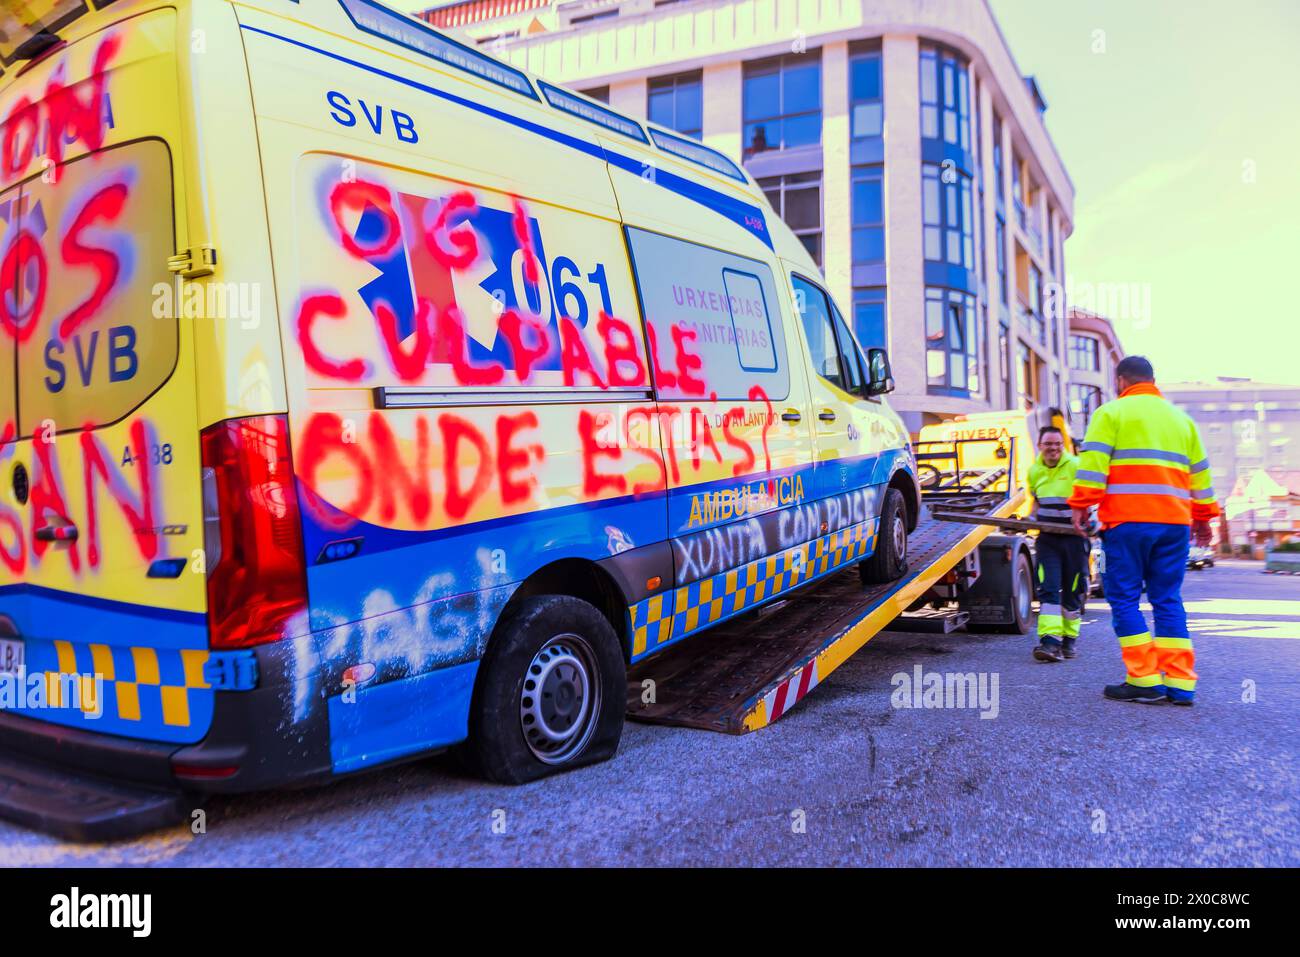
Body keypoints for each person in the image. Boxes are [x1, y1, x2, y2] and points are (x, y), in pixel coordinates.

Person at [1068, 356, 1218, 705]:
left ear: (1121, 380)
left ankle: (1144, 679)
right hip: (1175, 525)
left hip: (1127, 523)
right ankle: (1181, 683)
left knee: (1124, 599)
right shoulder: (1183, 421)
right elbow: (1201, 476)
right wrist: (1203, 517)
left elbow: (1093, 466)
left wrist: (1080, 505)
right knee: (1167, 599)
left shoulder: (1110, 413)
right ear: (1153, 380)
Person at [1027, 425, 1089, 662]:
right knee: (1049, 587)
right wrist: (1029, 519)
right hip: (1048, 540)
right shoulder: (1034, 471)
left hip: (1074, 540)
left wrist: (1089, 520)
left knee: (1072, 591)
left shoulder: (1076, 466)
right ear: (1040, 446)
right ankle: (1049, 642)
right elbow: (1036, 503)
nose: (1053, 448)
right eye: (1048, 444)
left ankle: (1069, 641)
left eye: (1057, 444)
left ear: (1062, 445)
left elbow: (1089, 497)